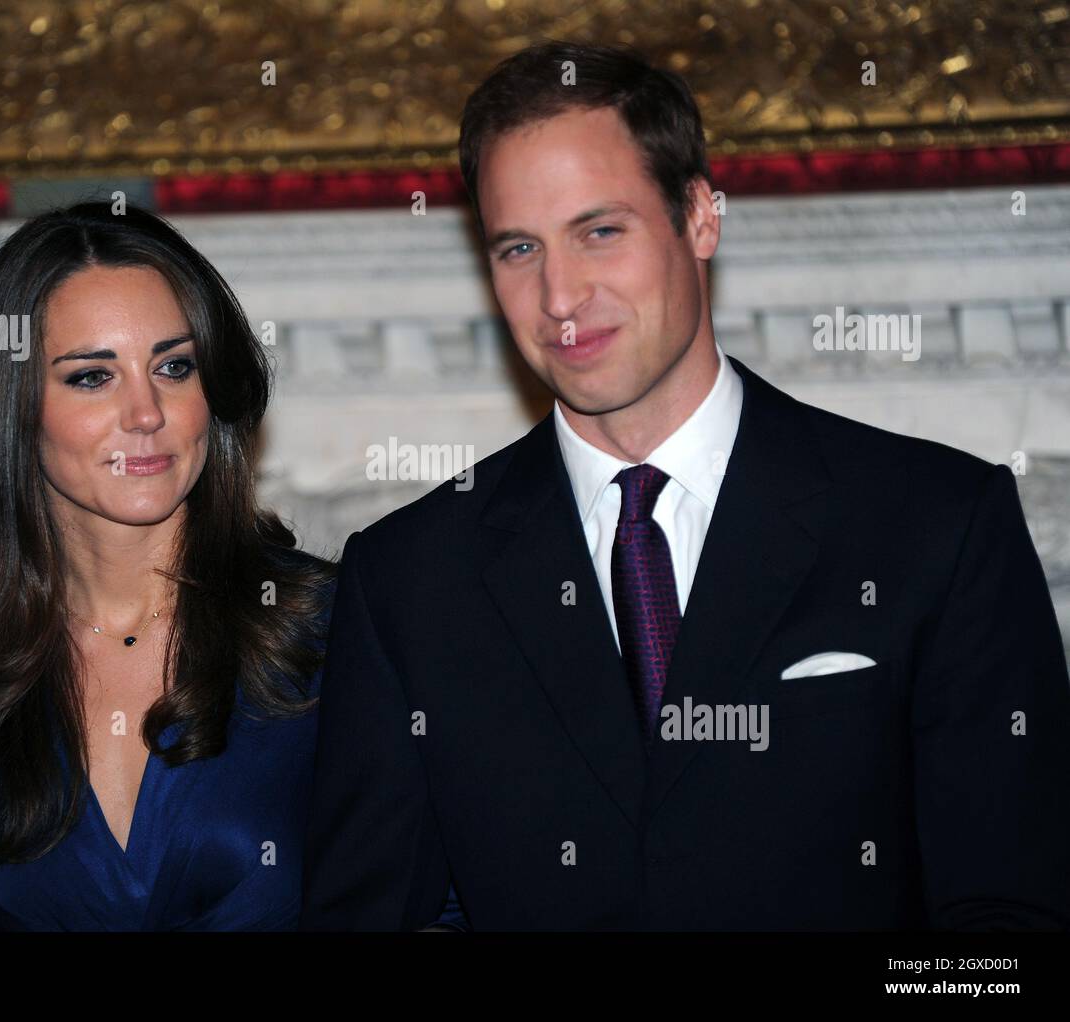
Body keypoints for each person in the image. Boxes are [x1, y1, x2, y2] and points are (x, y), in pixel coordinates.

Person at [300, 41, 1070, 930]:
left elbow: (1009, 928)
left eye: (600, 231)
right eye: (519, 248)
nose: (559, 295)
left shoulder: (937, 524)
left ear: (701, 217)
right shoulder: (407, 578)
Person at [0, 202, 335, 930]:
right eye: (91, 377)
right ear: (13, 408)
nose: (146, 412)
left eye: (175, 367)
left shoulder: (333, 634)